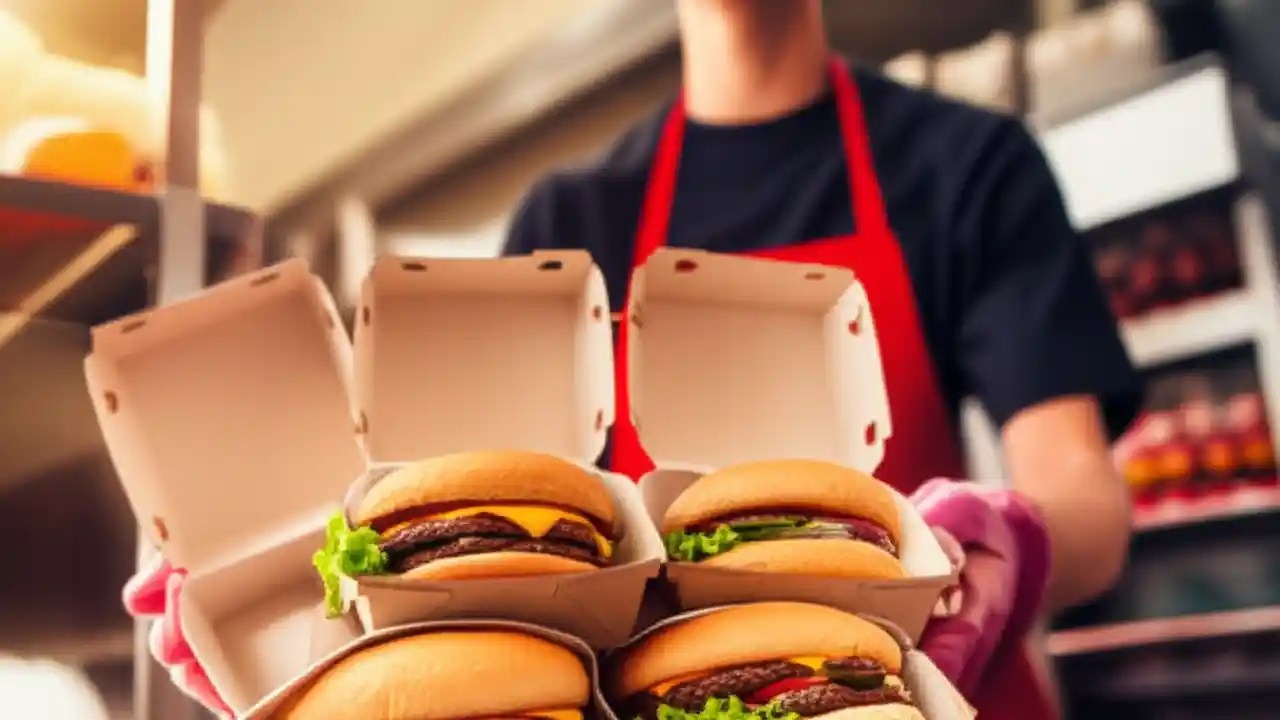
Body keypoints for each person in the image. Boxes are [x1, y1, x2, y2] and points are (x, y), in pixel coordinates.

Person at [125, 2, 1139, 718]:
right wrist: (300, 653)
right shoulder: (570, 220)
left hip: (934, 683)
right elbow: (486, 580)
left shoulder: (968, 167)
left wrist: (994, 547)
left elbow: (1085, 504)